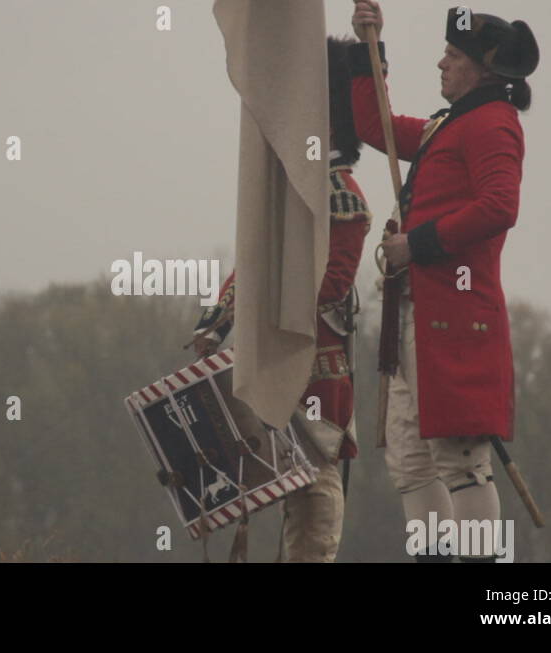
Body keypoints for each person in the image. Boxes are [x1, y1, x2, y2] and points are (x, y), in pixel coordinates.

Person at [349, 1, 539, 561]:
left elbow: (500, 206)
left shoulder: (493, 123)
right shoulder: (446, 125)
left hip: (455, 317)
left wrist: (419, 243)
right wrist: (369, 45)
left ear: (484, 68)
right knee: (410, 459)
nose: (441, 64)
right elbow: (372, 125)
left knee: (460, 459)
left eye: (453, 56)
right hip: (416, 315)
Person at [191, 36, 371, 563]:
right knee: (284, 487)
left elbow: (330, 284)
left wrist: (259, 315)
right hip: (276, 354)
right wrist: (217, 322)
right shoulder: (288, 187)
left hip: (315, 363)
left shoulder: (339, 193)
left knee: (313, 486)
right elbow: (254, 264)